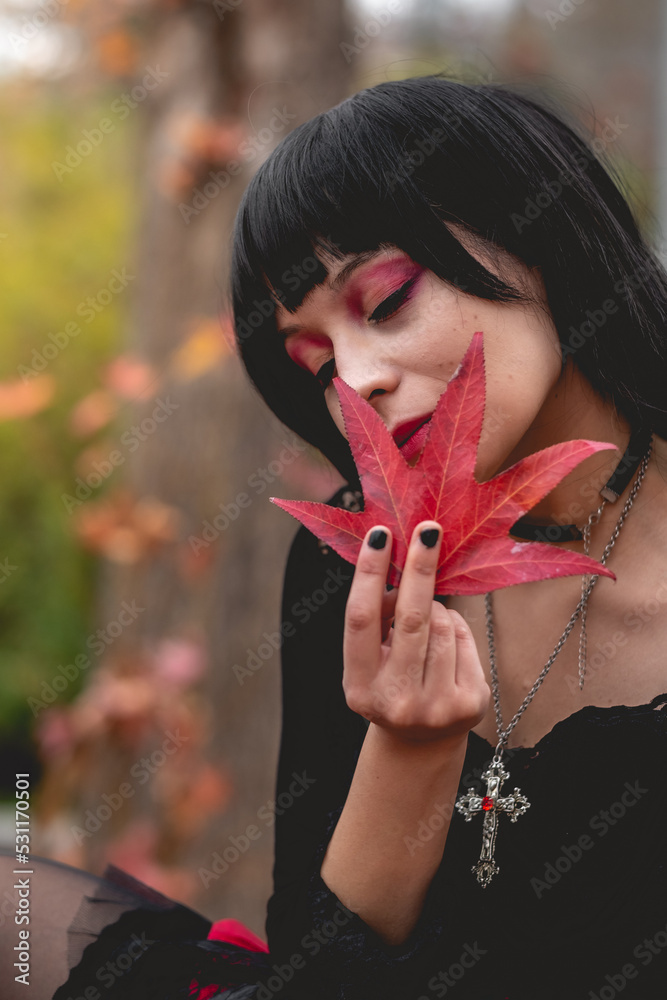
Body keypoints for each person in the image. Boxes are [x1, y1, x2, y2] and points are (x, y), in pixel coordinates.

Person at [2, 73, 666, 1000]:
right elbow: (319, 968)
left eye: (386, 301)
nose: (355, 382)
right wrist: (409, 746)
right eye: (314, 366)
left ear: (537, 231)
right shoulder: (356, 560)